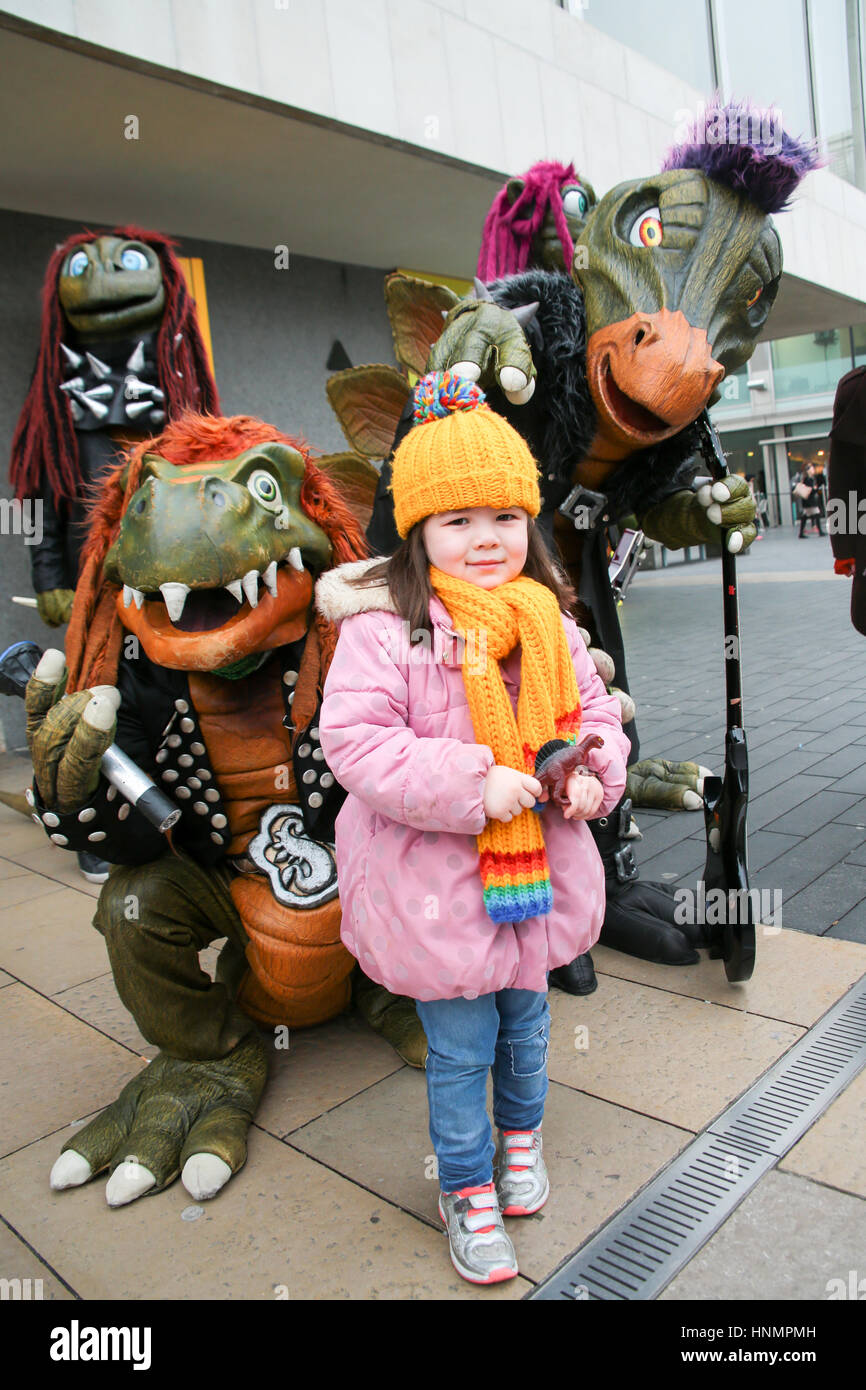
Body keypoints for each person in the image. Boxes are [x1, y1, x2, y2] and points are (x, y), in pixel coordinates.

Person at [317, 372, 630, 1284]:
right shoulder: (386, 630)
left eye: (504, 516)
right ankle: (465, 1186)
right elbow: (359, 743)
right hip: (435, 889)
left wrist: (591, 774)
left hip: (536, 883)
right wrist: (471, 782)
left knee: (528, 1026)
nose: (486, 538)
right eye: (458, 520)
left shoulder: (547, 622)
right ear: (417, 530)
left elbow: (595, 716)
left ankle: (522, 1142)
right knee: (459, 1050)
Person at [796, 464, 825, 537]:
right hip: (809, 501)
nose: (813, 470)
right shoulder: (808, 480)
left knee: (805, 516)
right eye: (812, 469)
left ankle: (801, 533)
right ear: (808, 471)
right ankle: (820, 532)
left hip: (807, 501)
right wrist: (815, 489)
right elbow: (810, 490)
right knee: (816, 514)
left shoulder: (808, 479)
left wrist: (814, 489)